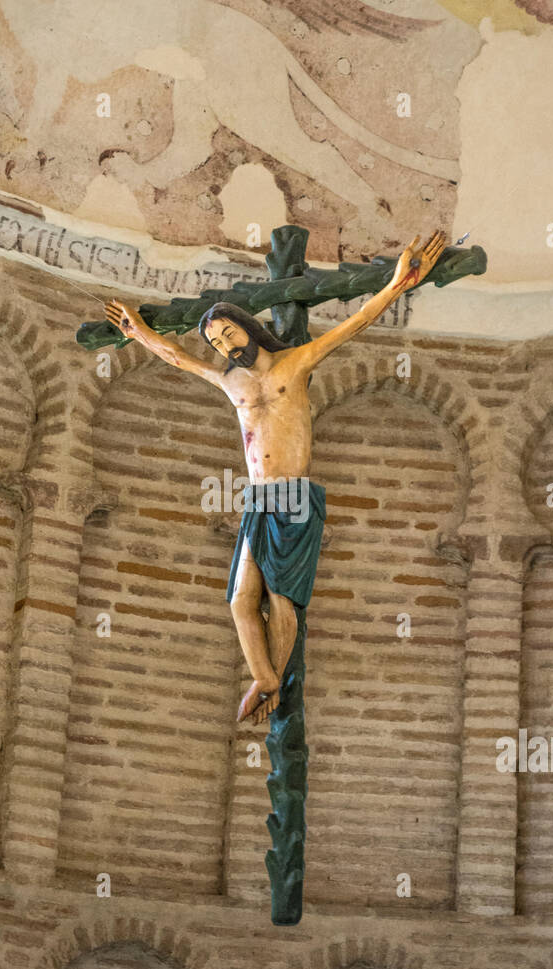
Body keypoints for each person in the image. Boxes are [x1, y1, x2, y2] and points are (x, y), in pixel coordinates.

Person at [105, 229, 447, 723]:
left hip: (296, 496)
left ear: (246, 326)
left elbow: (357, 321)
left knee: (281, 597)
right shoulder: (229, 381)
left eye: (229, 334)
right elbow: (177, 358)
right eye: (217, 342)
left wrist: (397, 283)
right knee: (241, 600)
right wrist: (137, 331)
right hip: (257, 499)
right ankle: (265, 678)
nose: (226, 346)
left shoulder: (296, 361)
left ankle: (273, 682)